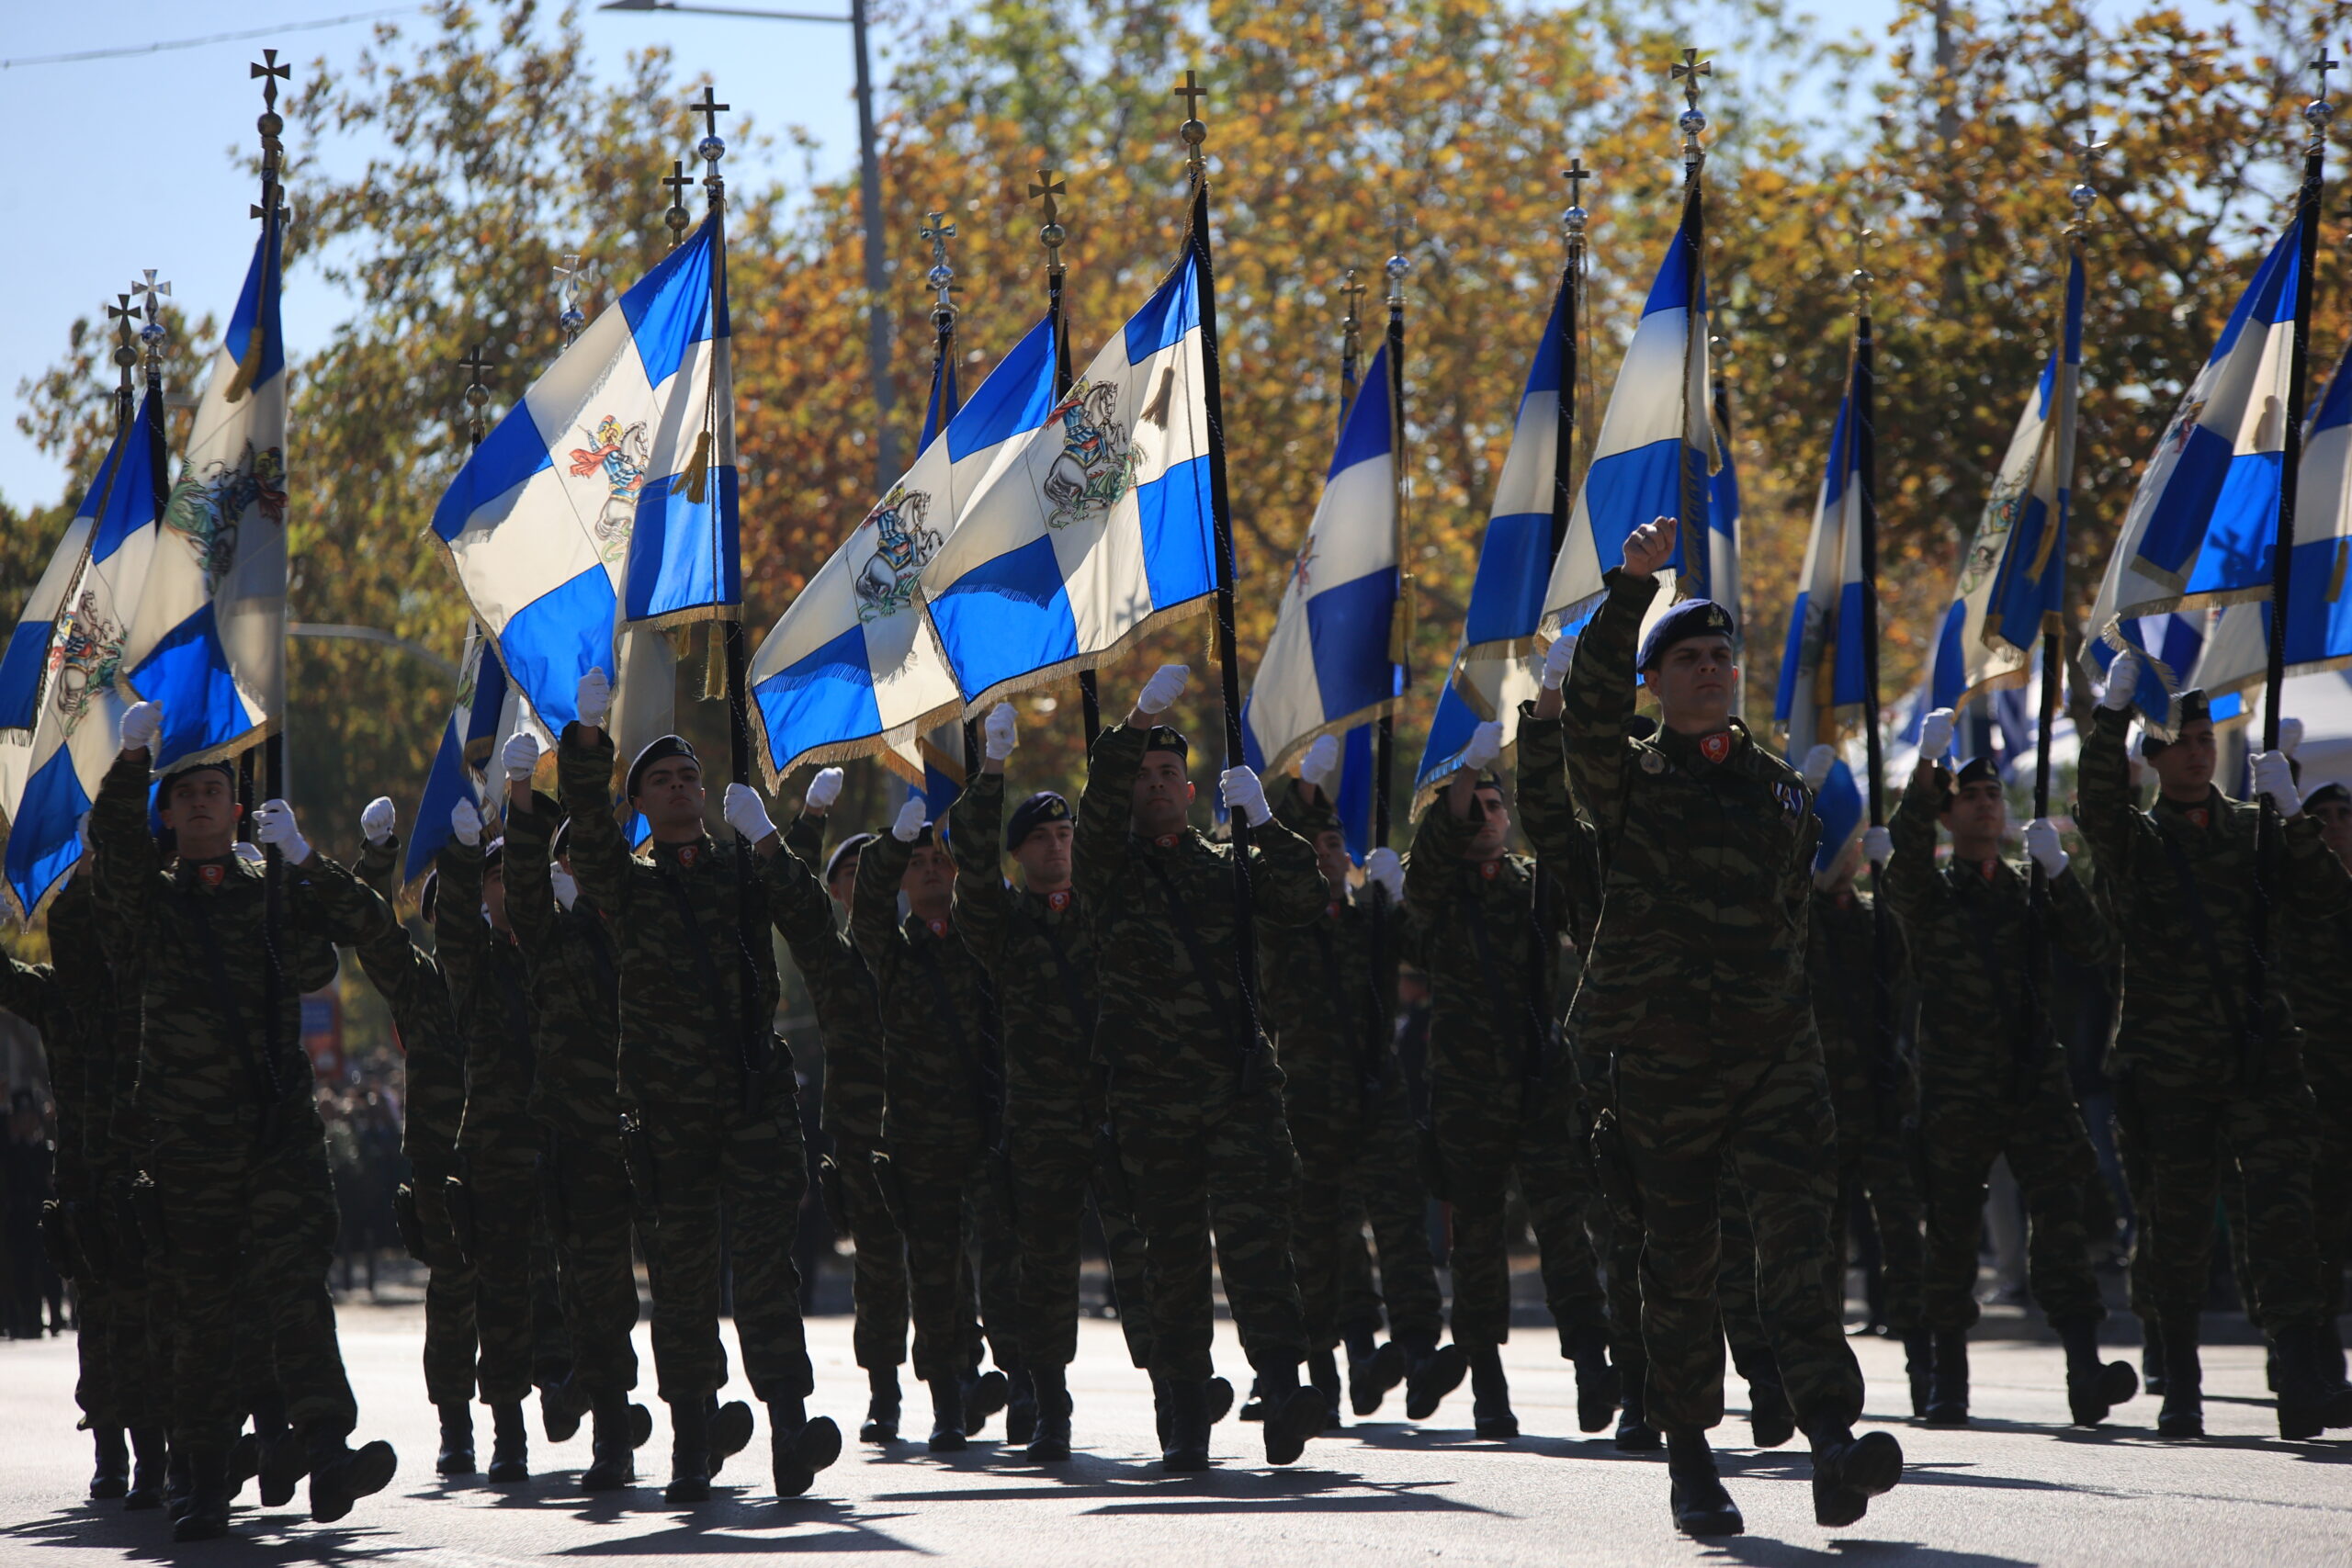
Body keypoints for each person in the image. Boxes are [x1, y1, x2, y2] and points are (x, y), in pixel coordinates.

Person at [1561, 519, 1898, 1537]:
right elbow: (1583, 718)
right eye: (1687, 660)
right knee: (1681, 1263)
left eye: (1720, 657)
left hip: (1774, 1060)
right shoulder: (1630, 777)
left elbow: (1795, 928)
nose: (1709, 671)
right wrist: (1628, 593)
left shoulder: (1780, 789)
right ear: (1655, 682)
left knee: (1799, 1249)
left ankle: (1832, 1437)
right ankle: (1688, 1451)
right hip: (1663, 1062)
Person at [91, 701, 398, 1540]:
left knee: (296, 1288)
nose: (198, 803)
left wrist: (303, 859)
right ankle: (201, 1472)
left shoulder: (274, 894)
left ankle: (327, 1447)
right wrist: (130, 762)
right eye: (182, 793)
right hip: (189, 1140)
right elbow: (110, 856)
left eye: (213, 791)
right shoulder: (150, 908)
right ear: (168, 813)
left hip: (277, 1132)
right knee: (202, 1308)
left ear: (237, 809)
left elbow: (361, 929)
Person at [557, 669, 842, 1500]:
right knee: (681, 1283)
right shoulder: (630, 884)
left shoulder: (741, 867)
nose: (679, 787)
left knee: (764, 1272)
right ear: (641, 802)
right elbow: (587, 828)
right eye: (660, 780)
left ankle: (789, 1424)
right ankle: (690, 1437)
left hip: (752, 1099)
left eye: (689, 776)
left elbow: (812, 924)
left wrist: (770, 841)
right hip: (666, 1109)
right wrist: (586, 743)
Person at [2077, 660, 2352, 1440]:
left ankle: (2302, 1376)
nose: (2198, 753)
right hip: (2171, 1068)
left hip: (2262, 1055)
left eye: (2204, 739)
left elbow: (2327, 900)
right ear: (2153, 759)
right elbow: (2099, 805)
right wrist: (2111, 716)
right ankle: (2182, 1378)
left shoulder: (2254, 825)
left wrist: (2294, 809)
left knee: (2284, 1215)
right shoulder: (2139, 839)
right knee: (2181, 1226)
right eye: (2179, 742)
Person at [1075, 664, 1329, 1471]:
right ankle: (1185, 1407)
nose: (1153, 784)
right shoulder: (1107, 873)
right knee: (1173, 1257)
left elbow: (1303, 900)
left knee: (1257, 1243)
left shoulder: (1226, 868)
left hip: (1236, 1088)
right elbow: (1092, 818)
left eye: (1166, 775)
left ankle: (1283, 1385)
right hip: (1150, 1099)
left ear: (1190, 793)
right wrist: (1137, 719)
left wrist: (1264, 816)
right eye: (1142, 774)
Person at [1873, 715, 2137, 1429]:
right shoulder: (1932, 893)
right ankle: (1947, 1380)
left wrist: (2058, 873)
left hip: (2034, 1081)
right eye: (1971, 796)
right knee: (1954, 1231)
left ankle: (2084, 1366)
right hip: (1957, 1087)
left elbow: (2092, 945)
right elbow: (1900, 862)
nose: (1988, 803)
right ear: (1949, 812)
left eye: (1994, 793)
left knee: (2061, 1220)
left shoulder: (2029, 887)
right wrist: (1923, 775)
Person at [945, 703, 1166, 1460]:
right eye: (1039, 837)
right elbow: (969, 866)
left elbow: (1110, 816)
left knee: (1145, 1254)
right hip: (1040, 1123)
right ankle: (1050, 1401)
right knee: (1044, 1269)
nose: (1056, 845)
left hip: (1120, 1109)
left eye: (1064, 834)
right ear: (1021, 855)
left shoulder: (1104, 909)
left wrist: (1135, 727)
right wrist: (992, 774)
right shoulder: (1003, 927)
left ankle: (1175, 1392)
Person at [1260, 734, 1455, 1428]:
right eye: (1317, 846)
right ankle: (1327, 1370)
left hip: (1377, 1091)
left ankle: (1418, 1350)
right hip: (1308, 1099)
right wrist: (1301, 797)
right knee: (1324, 1237)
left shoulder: (1368, 914)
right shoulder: (1287, 922)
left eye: (1335, 844)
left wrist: (1401, 900)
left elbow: (1430, 956)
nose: (1330, 853)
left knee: (1400, 1224)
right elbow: (1281, 866)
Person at [498, 739, 660, 1487]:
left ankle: (695, 1411)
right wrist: (522, 791)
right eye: (566, 860)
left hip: (660, 1130)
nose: (579, 869)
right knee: (597, 1294)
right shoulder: (549, 939)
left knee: (687, 1283)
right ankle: (609, 1429)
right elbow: (522, 896)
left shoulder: (644, 924)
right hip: (585, 1142)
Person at [843, 782, 1012, 1453]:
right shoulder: (894, 950)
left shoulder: (985, 938)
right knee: (936, 1274)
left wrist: (986, 775)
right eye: (919, 862)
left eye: (941, 856)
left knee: (1006, 1266)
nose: (934, 866)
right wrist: (892, 844)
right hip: (921, 1140)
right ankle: (946, 1398)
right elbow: (865, 915)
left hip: (991, 1125)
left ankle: (1025, 1385)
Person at [350, 802, 486, 1479]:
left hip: (519, 1150)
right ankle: (456, 1422)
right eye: (466, 897)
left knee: (546, 1275)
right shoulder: (421, 985)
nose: (483, 908)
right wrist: (376, 857)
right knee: (456, 1290)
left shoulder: (520, 971)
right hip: (444, 1162)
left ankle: (556, 1396)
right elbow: (370, 932)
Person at [775, 783, 912, 1444]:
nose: (873, 878)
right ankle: (884, 1389)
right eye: (855, 872)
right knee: (880, 1267)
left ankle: (967, 1376)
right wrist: (813, 820)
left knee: (958, 1258)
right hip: (865, 1133)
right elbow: (793, 901)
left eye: (882, 866)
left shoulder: (923, 945)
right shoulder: (831, 959)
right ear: (837, 890)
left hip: (942, 1121)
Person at [1797, 753, 1927, 1414]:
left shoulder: (1877, 920)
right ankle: (1824, 1383)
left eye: (1850, 842)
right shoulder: (1799, 920)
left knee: (1904, 1236)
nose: (1845, 855)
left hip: (1877, 1102)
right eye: (1834, 842)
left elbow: (1905, 977)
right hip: (1815, 1111)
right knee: (1821, 1254)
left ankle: (1928, 1368)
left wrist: (1894, 879)